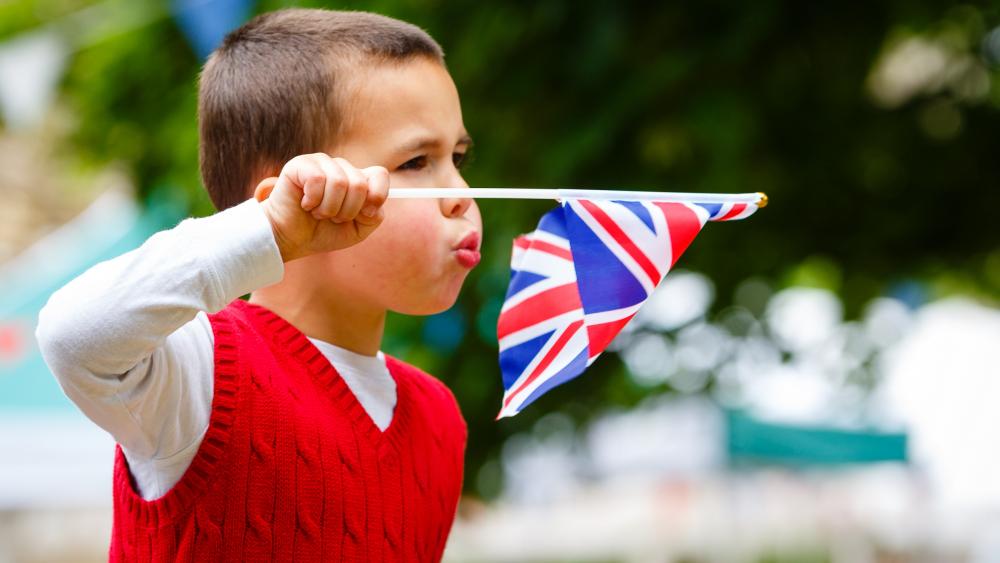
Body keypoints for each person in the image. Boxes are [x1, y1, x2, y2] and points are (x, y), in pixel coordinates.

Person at [35, 8, 480, 562]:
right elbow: (71, 334)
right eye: (416, 161)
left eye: (458, 157)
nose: (461, 192)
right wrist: (267, 228)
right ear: (298, 186)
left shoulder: (438, 418)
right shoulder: (197, 371)